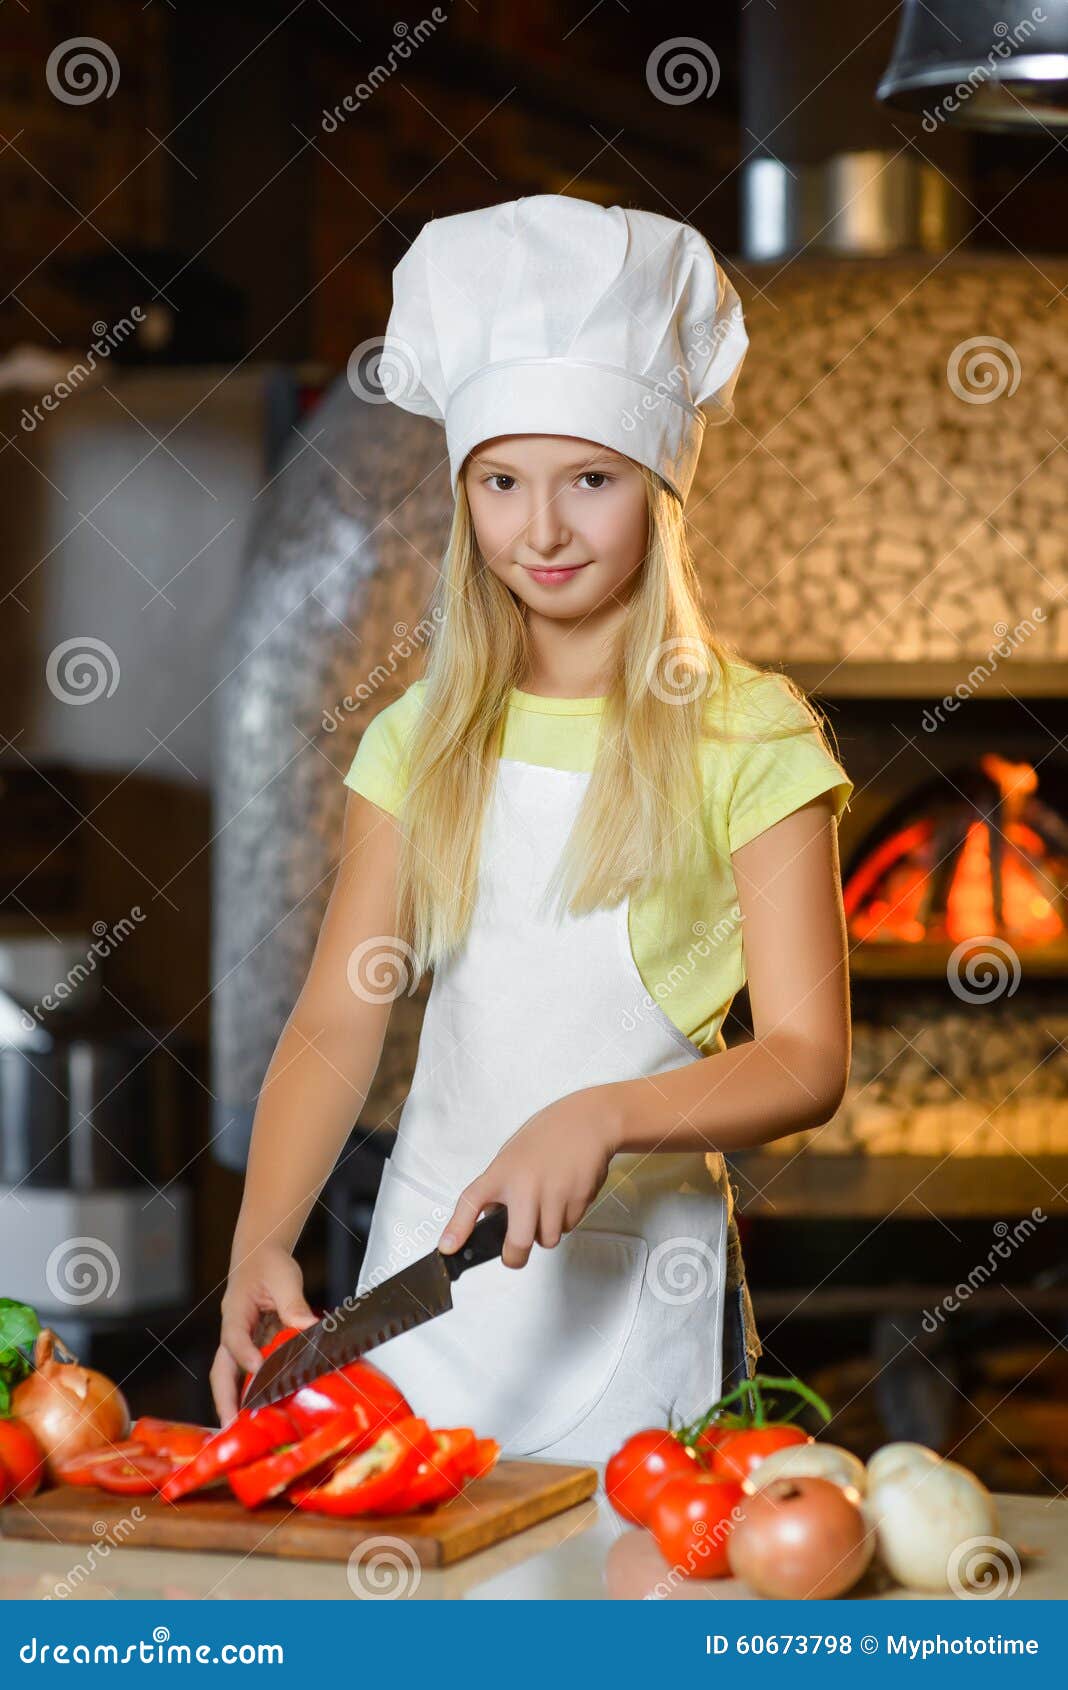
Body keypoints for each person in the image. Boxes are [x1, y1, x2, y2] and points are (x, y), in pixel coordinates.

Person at [211, 195, 854, 1467]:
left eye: (591, 482)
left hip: (640, 1310)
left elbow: (805, 1058)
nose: (542, 530)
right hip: (424, 1283)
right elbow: (342, 1018)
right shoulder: (422, 734)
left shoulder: (748, 736)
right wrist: (260, 1239)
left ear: (660, 490)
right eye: (502, 483)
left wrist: (603, 1114)